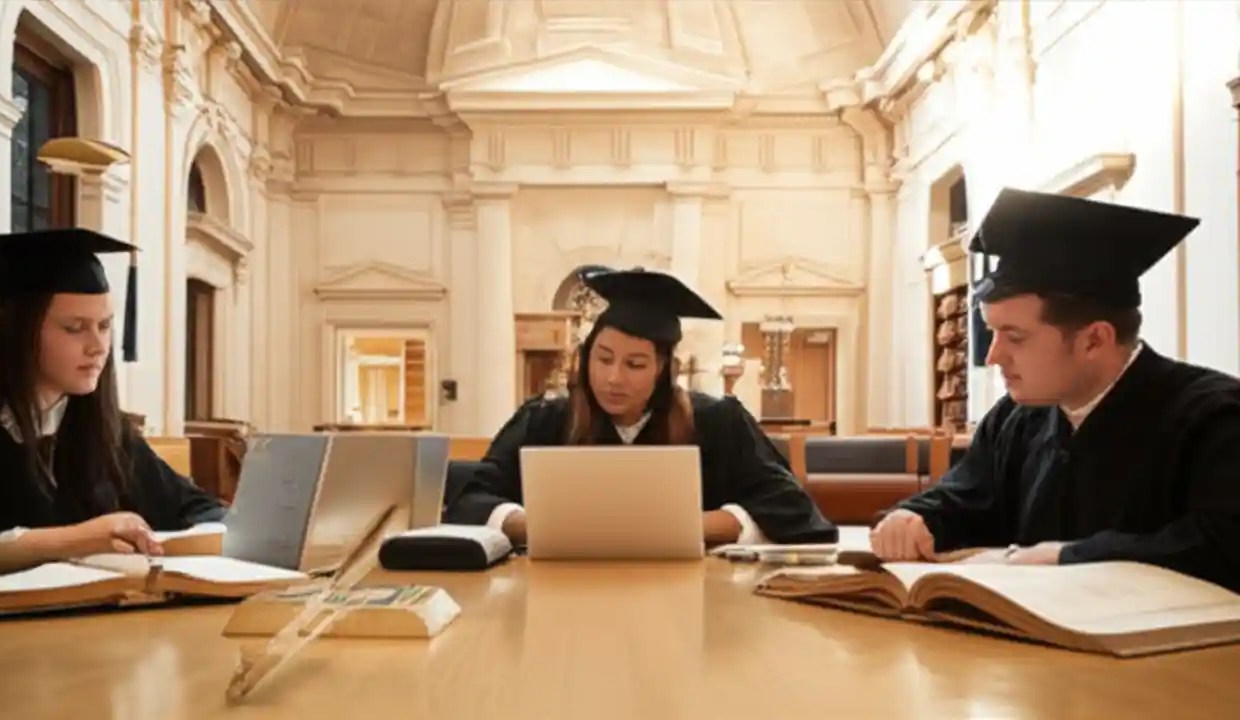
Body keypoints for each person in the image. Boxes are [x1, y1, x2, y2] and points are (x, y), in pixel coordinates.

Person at [871, 188, 1240, 592]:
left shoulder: (1215, 418)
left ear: (1094, 341)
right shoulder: (1014, 418)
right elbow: (967, 498)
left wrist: (1067, 558)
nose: (993, 357)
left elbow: (1222, 546)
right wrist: (918, 519)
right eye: (991, 333)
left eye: (1014, 336)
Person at [444, 266, 837, 547]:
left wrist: (684, 527)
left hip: (695, 600)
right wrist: (542, 526)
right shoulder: (544, 420)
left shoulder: (718, 422)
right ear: (585, 357)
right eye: (603, 358)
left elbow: (793, 509)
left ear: (664, 370)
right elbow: (470, 502)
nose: (613, 377)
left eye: (634, 364)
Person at [0, 228, 226, 575]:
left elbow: (193, 507)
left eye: (104, 326)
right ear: (19, 332)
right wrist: (80, 538)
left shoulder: (102, 428)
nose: (98, 346)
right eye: (75, 328)